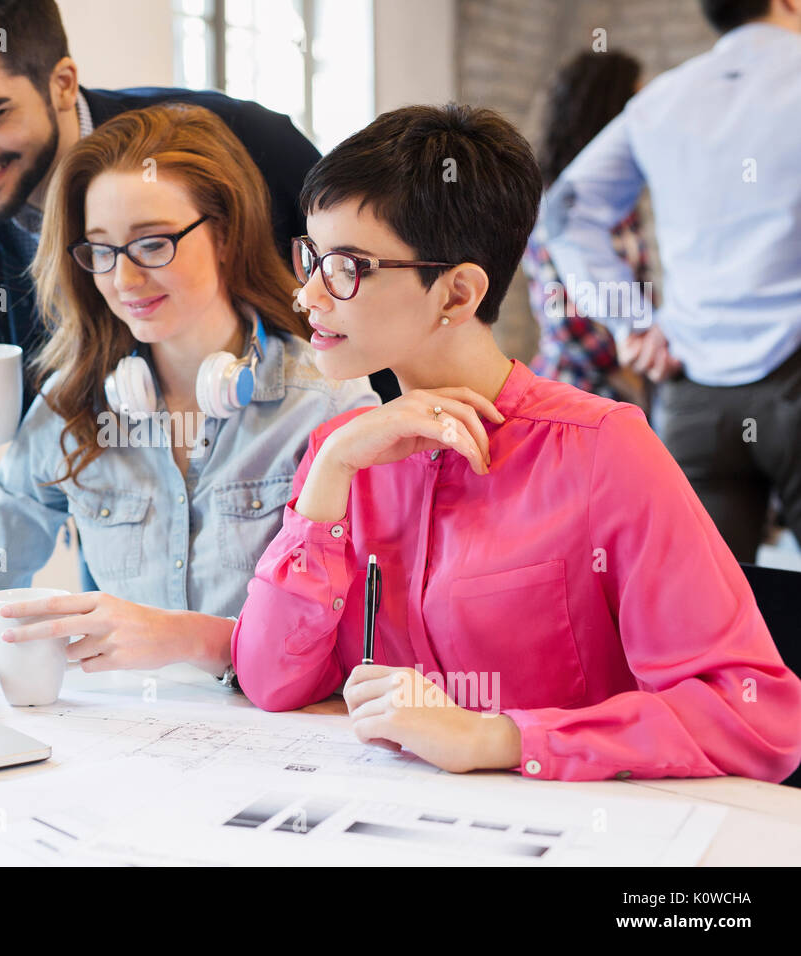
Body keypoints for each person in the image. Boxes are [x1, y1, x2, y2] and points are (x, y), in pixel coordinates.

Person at [229, 104, 801, 784]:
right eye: (312, 257)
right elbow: (271, 681)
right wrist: (327, 477)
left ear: (458, 293)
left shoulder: (602, 451)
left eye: (348, 266)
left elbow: (755, 716)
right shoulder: (345, 450)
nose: (308, 294)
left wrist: (499, 737)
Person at [0, 104, 379, 704]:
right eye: (102, 251)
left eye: (152, 244)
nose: (124, 280)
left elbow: (362, 640)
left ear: (224, 233)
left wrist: (187, 638)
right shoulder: (75, 405)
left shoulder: (325, 407)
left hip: (286, 740)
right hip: (131, 748)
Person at [0, 0, 400, 438]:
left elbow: (379, 302)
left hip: (312, 484)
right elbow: (13, 399)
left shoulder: (241, 140)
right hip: (120, 504)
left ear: (62, 83)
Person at [538, 0, 801, 562]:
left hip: (694, 396)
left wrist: (631, 321)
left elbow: (563, 213)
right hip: (792, 372)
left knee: (712, 611)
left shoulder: (662, 100)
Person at [522, 49, 656, 407]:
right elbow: (567, 323)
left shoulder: (618, 204)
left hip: (630, 380)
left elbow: (637, 288)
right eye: (636, 103)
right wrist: (635, 362)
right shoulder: (553, 205)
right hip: (577, 390)